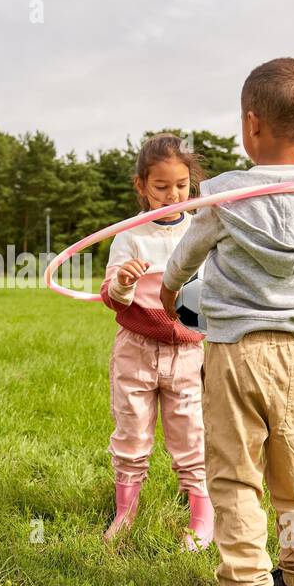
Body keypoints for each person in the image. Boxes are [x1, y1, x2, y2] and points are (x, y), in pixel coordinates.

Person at [160, 58, 294, 586]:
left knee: (235, 471)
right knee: (293, 464)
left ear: (250, 123)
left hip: (234, 350)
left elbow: (187, 255)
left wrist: (173, 292)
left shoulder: (227, 200)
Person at [100, 133, 214, 551]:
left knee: (190, 432)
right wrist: (125, 283)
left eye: (181, 185)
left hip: (186, 350)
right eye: (161, 187)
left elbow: (214, 287)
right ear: (141, 186)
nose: (173, 195)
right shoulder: (130, 235)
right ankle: (125, 513)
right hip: (136, 347)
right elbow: (111, 297)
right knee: (130, 432)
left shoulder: (201, 229)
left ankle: (202, 516)